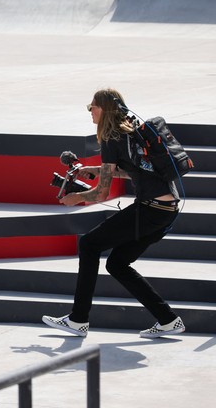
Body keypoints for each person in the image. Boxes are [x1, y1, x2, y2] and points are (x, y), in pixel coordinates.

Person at [42, 88, 186, 339]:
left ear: (104, 109)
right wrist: (98, 170)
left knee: (88, 244)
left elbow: (100, 194)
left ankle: (78, 320)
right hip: (167, 209)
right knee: (118, 264)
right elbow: (137, 171)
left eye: (92, 107)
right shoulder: (129, 130)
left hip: (151, 209)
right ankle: (168, 319)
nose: (90, 112)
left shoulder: (110, 137)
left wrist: (76, 198)